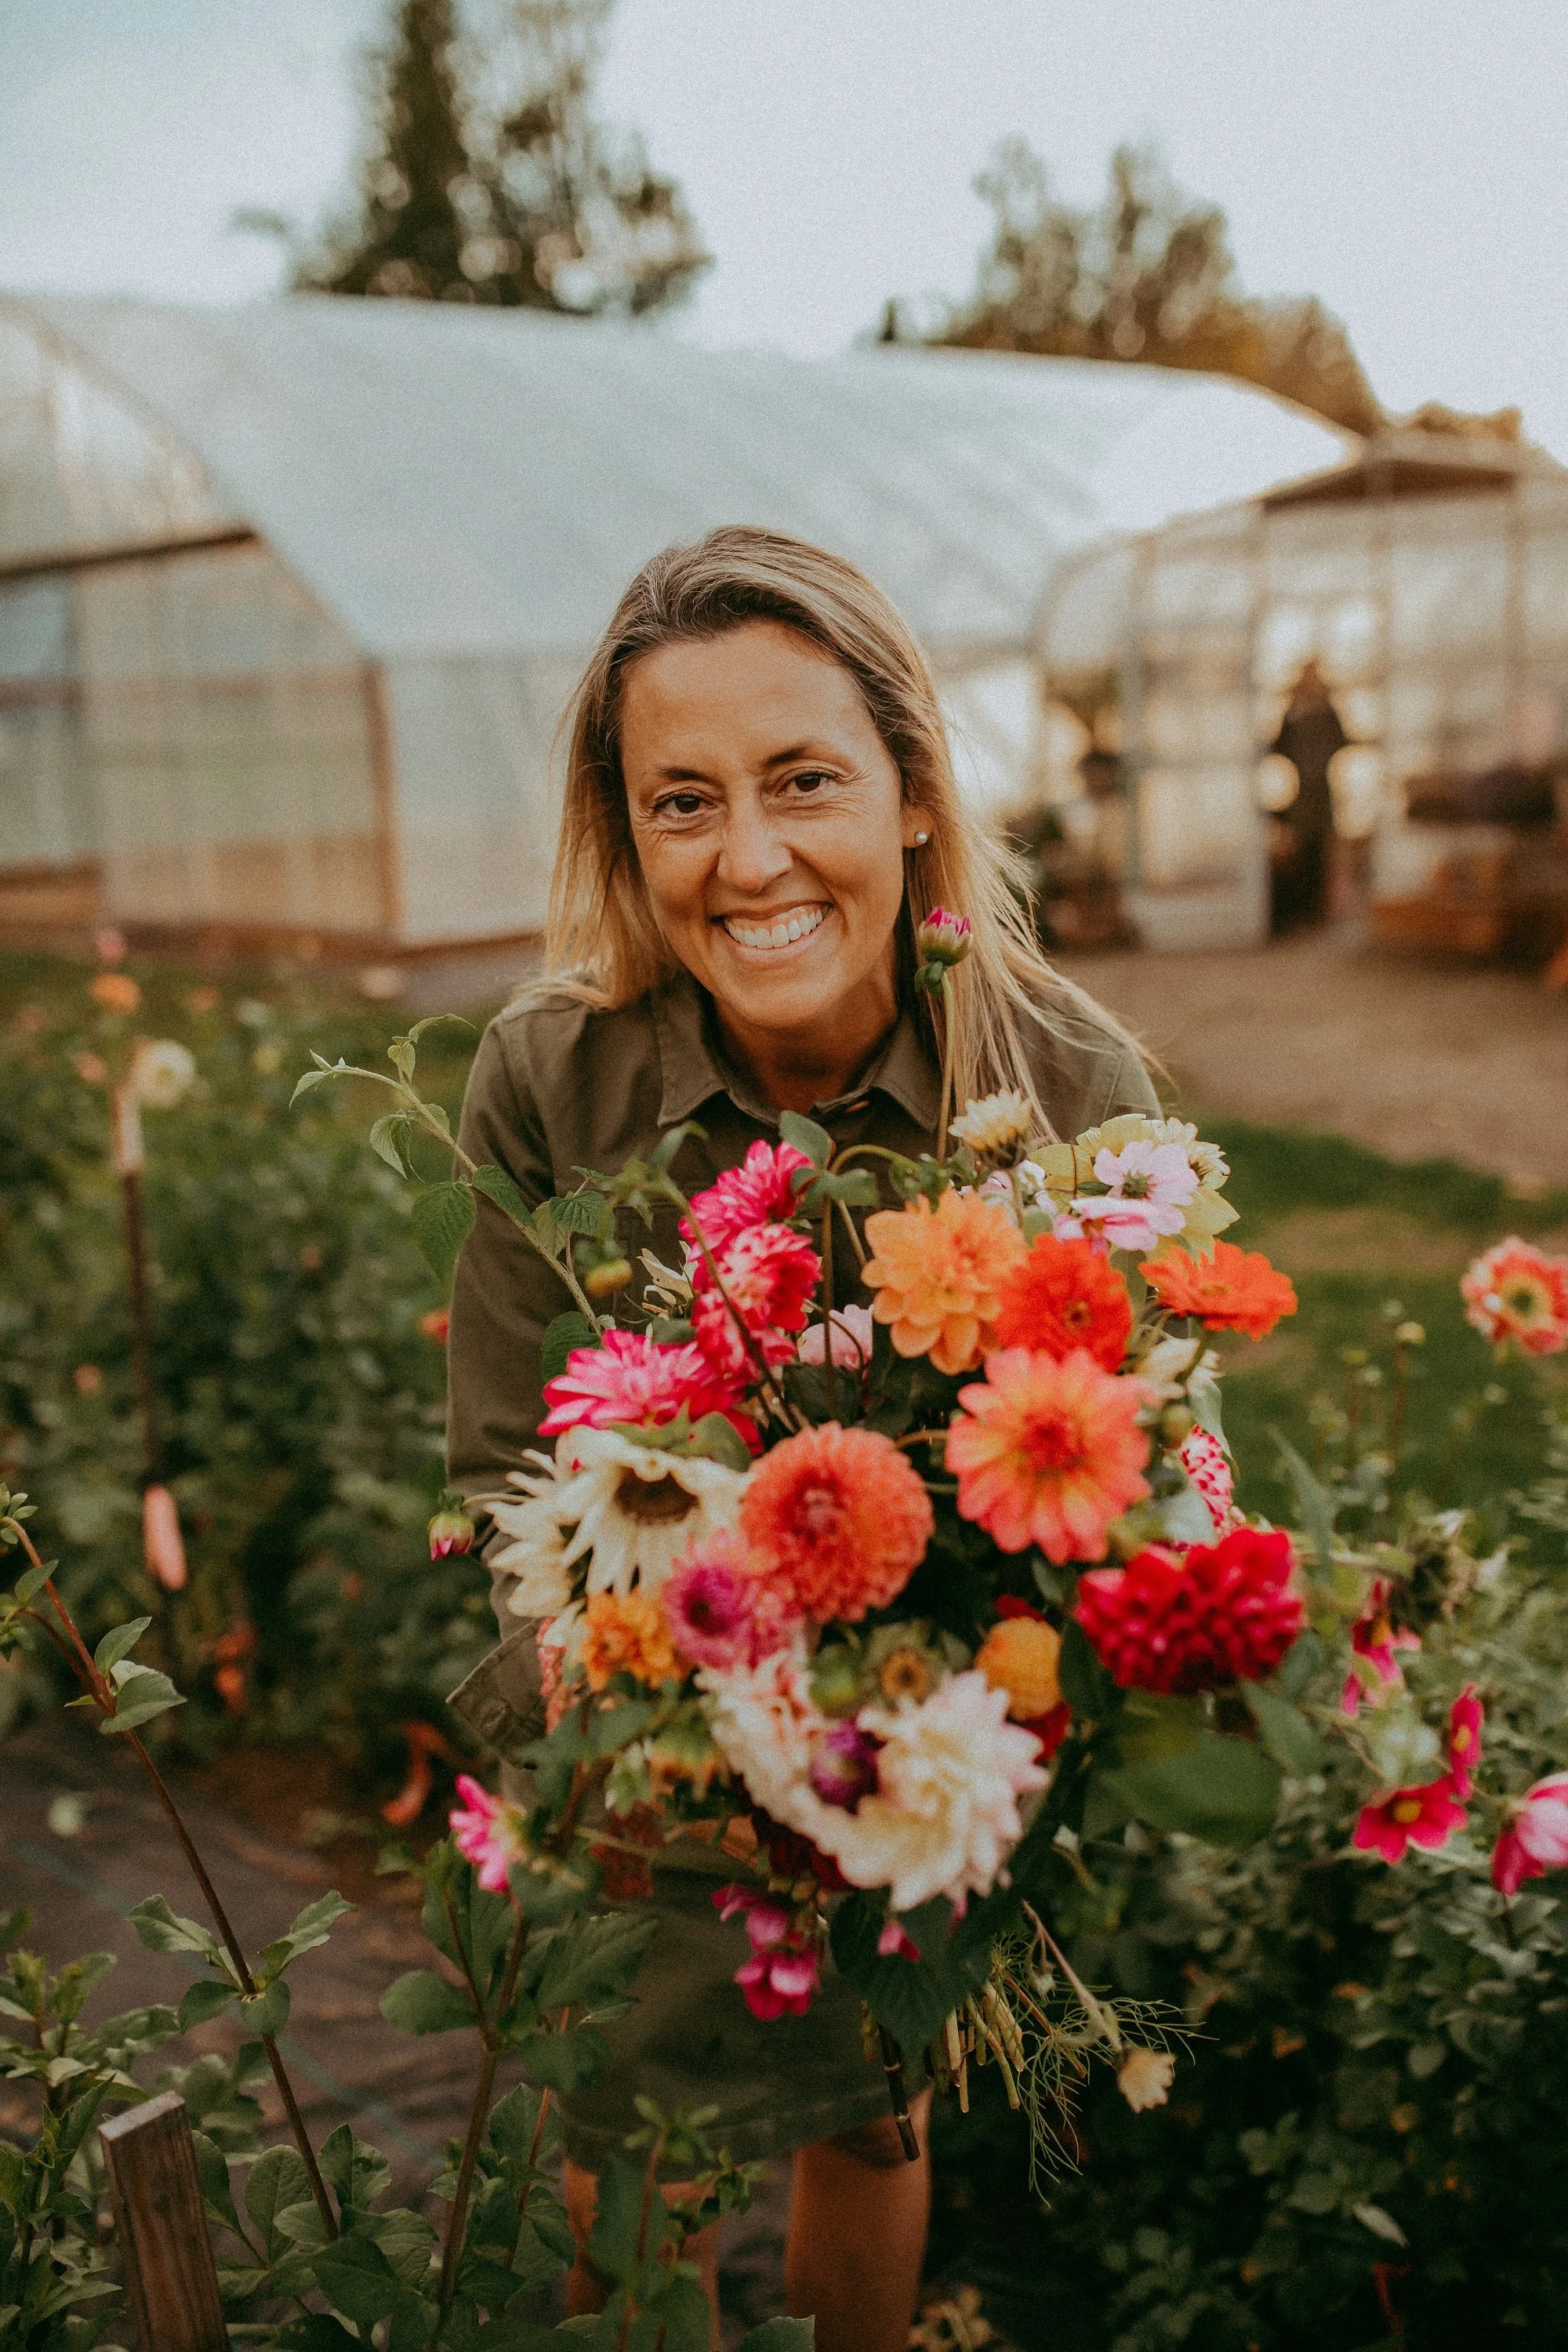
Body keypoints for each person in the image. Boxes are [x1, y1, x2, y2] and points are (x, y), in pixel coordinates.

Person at [445, 525, 1158, 2351]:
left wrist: (955, 1720)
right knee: (632, 2126)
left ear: (912, 791)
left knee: (870, 2101)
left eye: (802, 780)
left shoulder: (1062, 1089)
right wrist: (617, 1704)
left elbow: (1142, 1473)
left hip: (940, 1736)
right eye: (680, 800)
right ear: (624, 834)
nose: (746, 858)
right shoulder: (553, 1081)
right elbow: (505, 1480)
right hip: (653, 1726)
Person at [1269, 658, 1348, 930]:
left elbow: (1339, 742)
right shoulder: (1296, 713)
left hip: (1320, 790)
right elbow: (1280, 746)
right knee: (1303, 849)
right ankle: (1305, 911)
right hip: (1304, 791)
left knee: (1320, 850)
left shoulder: (1325, 713)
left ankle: (1317, 911)